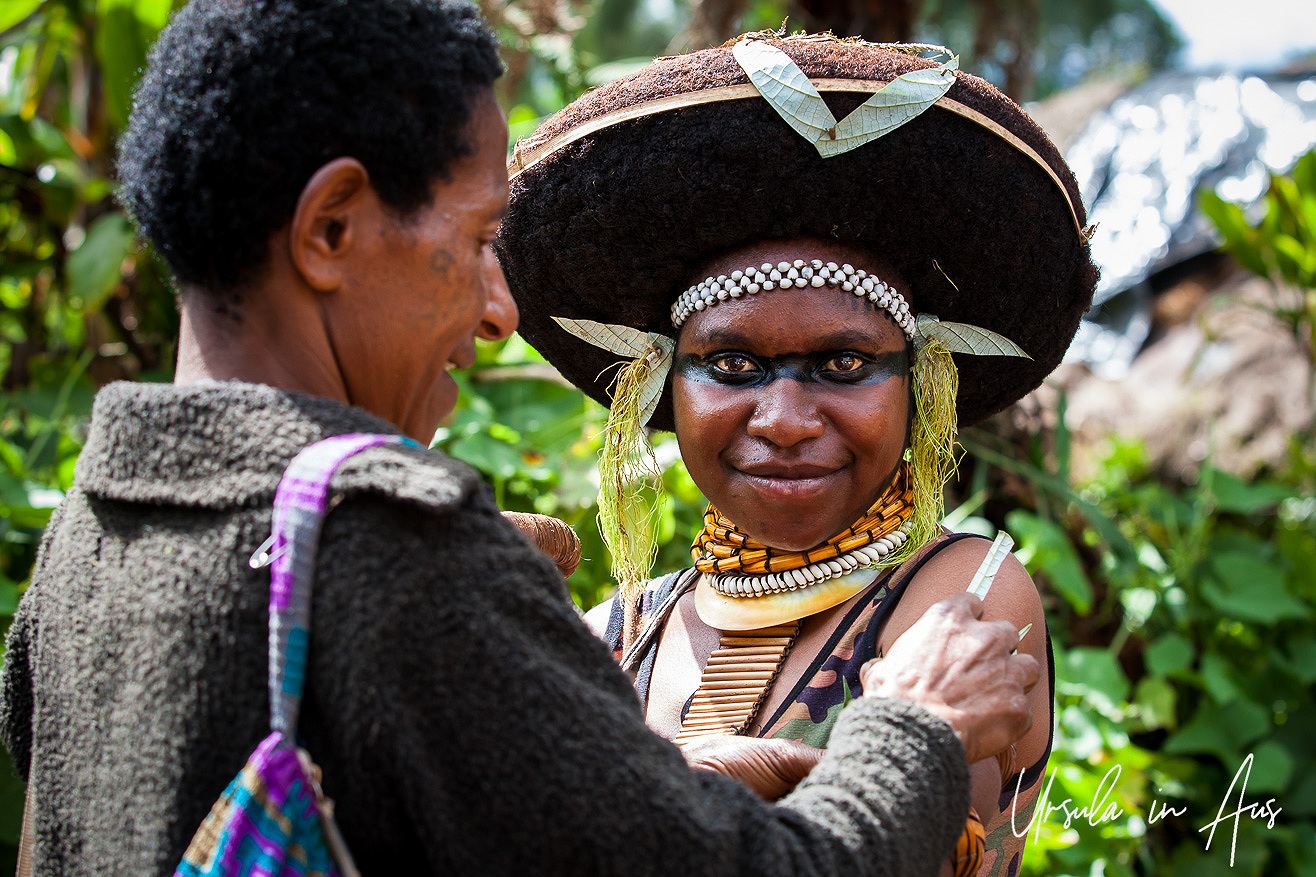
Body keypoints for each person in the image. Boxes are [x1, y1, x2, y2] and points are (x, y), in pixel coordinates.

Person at [0, 3, 1041, 875]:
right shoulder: (386, 554)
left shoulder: (85, 545)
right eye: (474, 240)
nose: (500, 310)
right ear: (330, 231)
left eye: (843, 364)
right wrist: (919, 727)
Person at [498, 34, 1097, 877]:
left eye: (844, 365)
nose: (782, 419)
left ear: (917, 388)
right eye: (732, 366)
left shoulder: (958, 601)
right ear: (666, 385)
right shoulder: (623, 628)